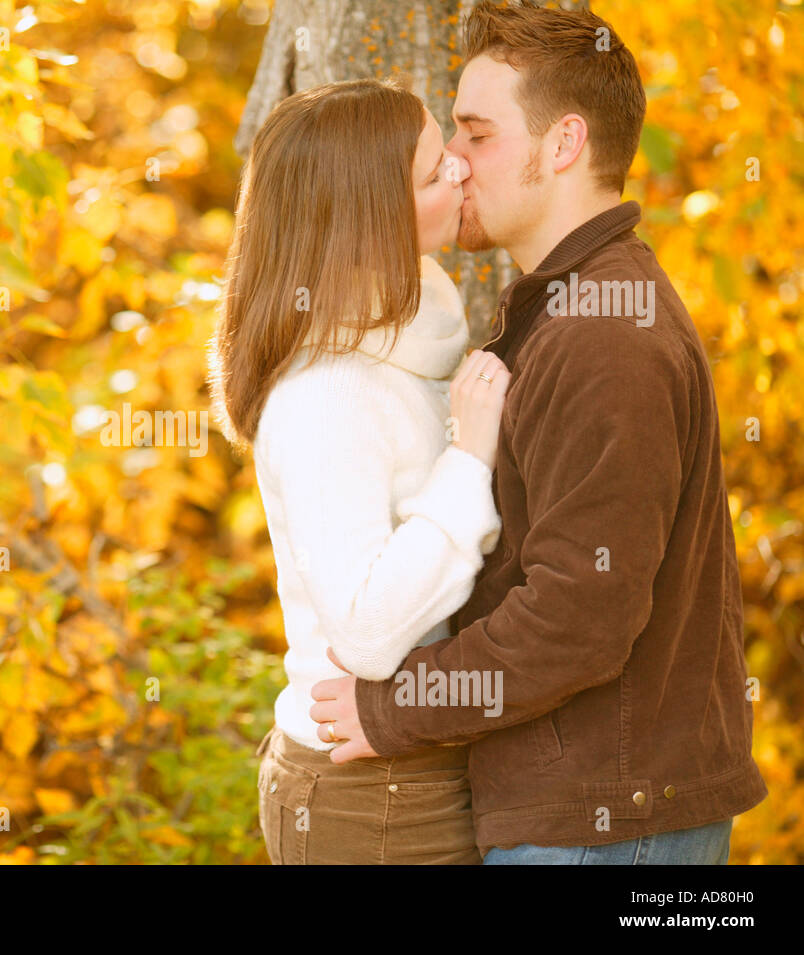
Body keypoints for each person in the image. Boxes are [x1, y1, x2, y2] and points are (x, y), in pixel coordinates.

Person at [309, 0, 768, 865]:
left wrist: (394, 707)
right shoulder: (567, 305)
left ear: (562, 145)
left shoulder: (600, 335)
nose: (453, 158)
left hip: (607, 821)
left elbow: (578, 617)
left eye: (478, 133)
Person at [209, 76, 511, 863]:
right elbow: (368, 632)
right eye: (431, 169)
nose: (460, 167)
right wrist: (469, 458)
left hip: (417, 755)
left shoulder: (408, 336)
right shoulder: (327, 395)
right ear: (370, 217)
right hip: (372, 796)